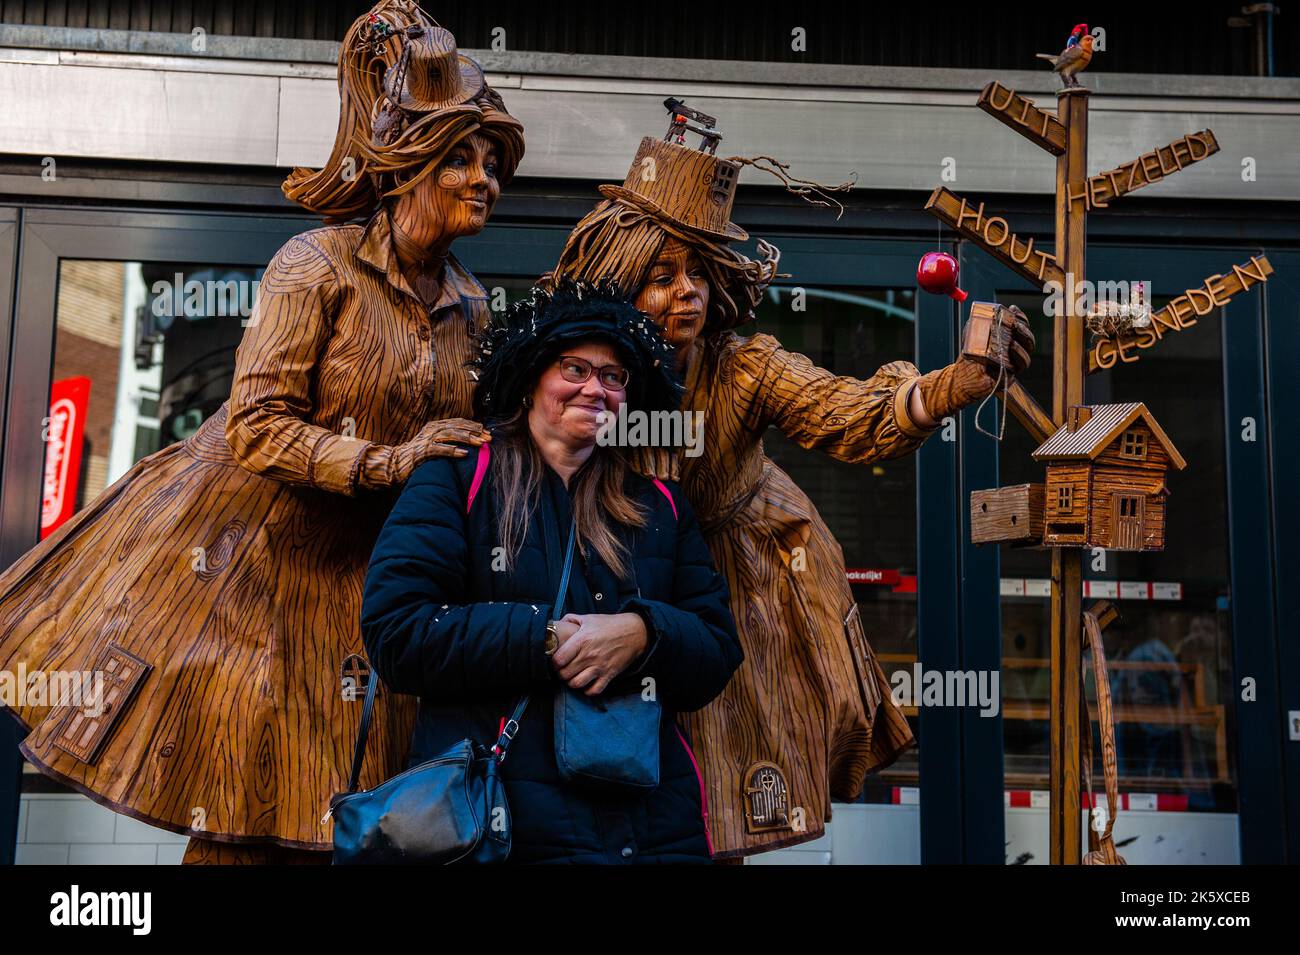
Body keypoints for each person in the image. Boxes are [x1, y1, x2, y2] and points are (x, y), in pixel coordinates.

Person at [0, 2, 524, 863]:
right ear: (406, 168)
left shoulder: (471, 304)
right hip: (253, 574)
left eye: (492, 162)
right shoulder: (313, 265)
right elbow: (257, 424)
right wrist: (385, 460)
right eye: (461, 157)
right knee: (248, 809)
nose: (485, 179)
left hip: (371, 592)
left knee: (353, 821)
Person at [545, 120, 1034, 859]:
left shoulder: (744, 368)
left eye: (699, 273)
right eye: (663, 275)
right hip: (606, 592)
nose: (688, 293)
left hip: (729, 598)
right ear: (620, 277)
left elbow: (849, 413)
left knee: (716, 806)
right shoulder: (578, 373)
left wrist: (947, 388)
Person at [360, 281, 742, 863]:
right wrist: (544, 637)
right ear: (531, 378)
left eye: (615, 377)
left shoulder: (660, 506)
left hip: (651, 830)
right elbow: (399, 633)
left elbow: (717, 649)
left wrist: (642, 634)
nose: (596, 388)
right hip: (497, 826)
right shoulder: (457, 482)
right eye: (575, 368)